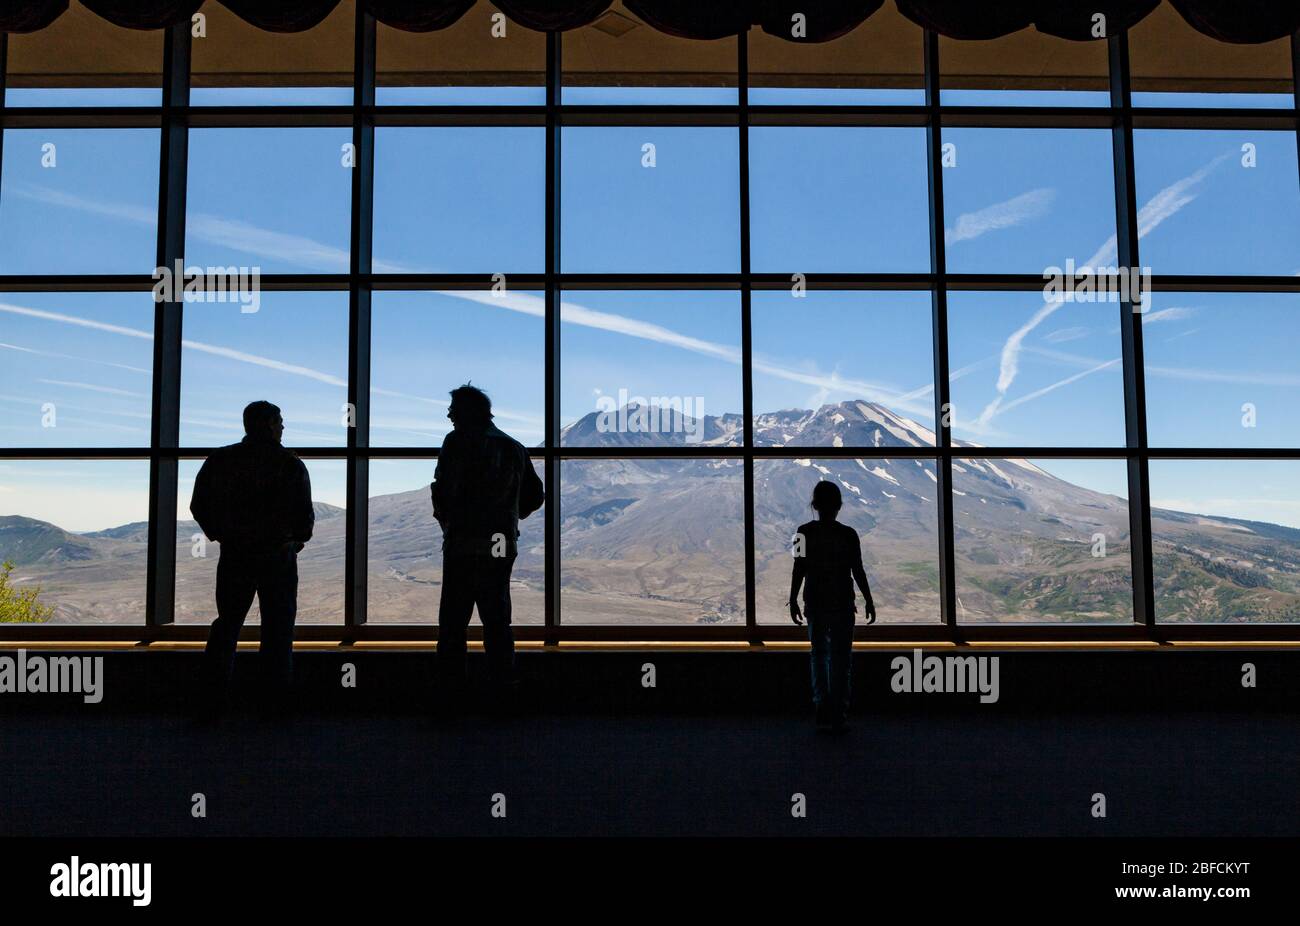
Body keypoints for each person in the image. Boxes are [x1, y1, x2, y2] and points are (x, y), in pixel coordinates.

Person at [190, 401, 314, 715]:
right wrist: (294, 541)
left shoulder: (221, 459)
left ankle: (210, 702)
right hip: (278, 557)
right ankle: (274, 704)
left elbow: (199, 504)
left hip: (236, 555)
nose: (283, 427)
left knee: (227, 625)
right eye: (280, 422)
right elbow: (304, 517)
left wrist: (222, 534)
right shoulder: (289, 464)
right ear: (269, 424)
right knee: (278, 628)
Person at [431, 384, 545, 707]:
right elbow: (535, 496)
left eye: (454, 408)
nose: (450, 415)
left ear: (469, 411)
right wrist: (511, 514)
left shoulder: (456, 443)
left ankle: (451, 695)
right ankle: (503, 691)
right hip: (500, 545)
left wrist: (449, 520)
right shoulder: (514, 448)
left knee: (453, 622)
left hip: (462, 545)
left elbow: (443, 492)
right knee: (497, 620)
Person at [789, 480, 875, 734]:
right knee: (841, 658)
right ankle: (839, 711)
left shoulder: (802, 532)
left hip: (815, 602)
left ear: (814, 505)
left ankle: (821, 706)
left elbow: (798, 568)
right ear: (839, 506)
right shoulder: (849, 534)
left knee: (818, 655)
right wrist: (868, 599)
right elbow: (857, 570)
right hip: (843, 603)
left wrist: (793, 598)